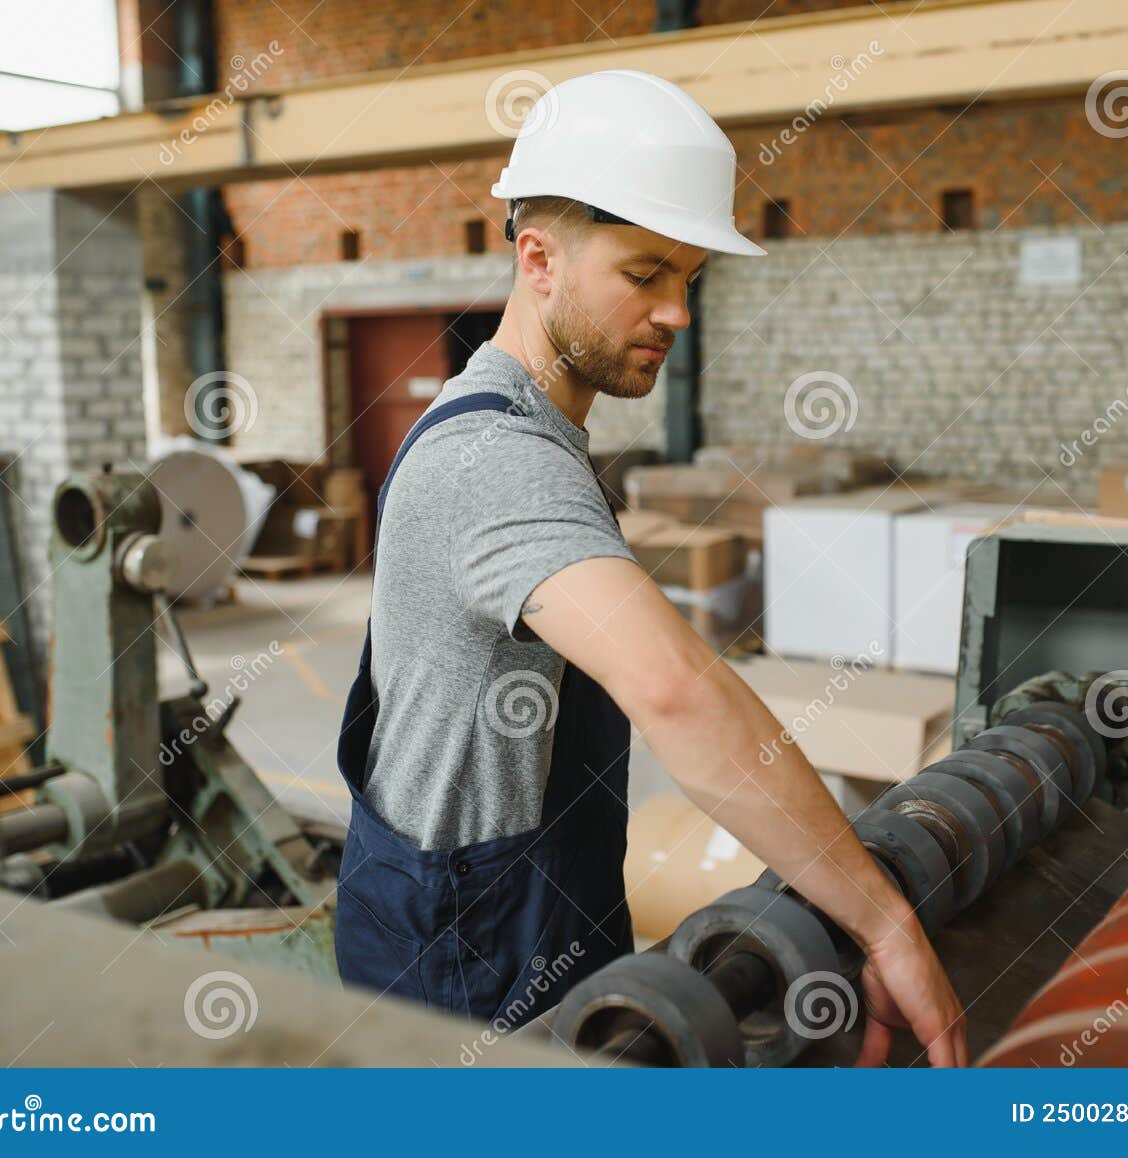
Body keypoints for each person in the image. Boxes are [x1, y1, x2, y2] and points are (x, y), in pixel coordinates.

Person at [333, 69, 966, 1067]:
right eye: (643, 274)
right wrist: (884, 924)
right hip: (468, 961)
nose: (676, 311)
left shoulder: (525, 434)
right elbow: (674, 689)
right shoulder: (495, 461)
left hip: (521, 917)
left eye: (689, 278)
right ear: (537, 259)